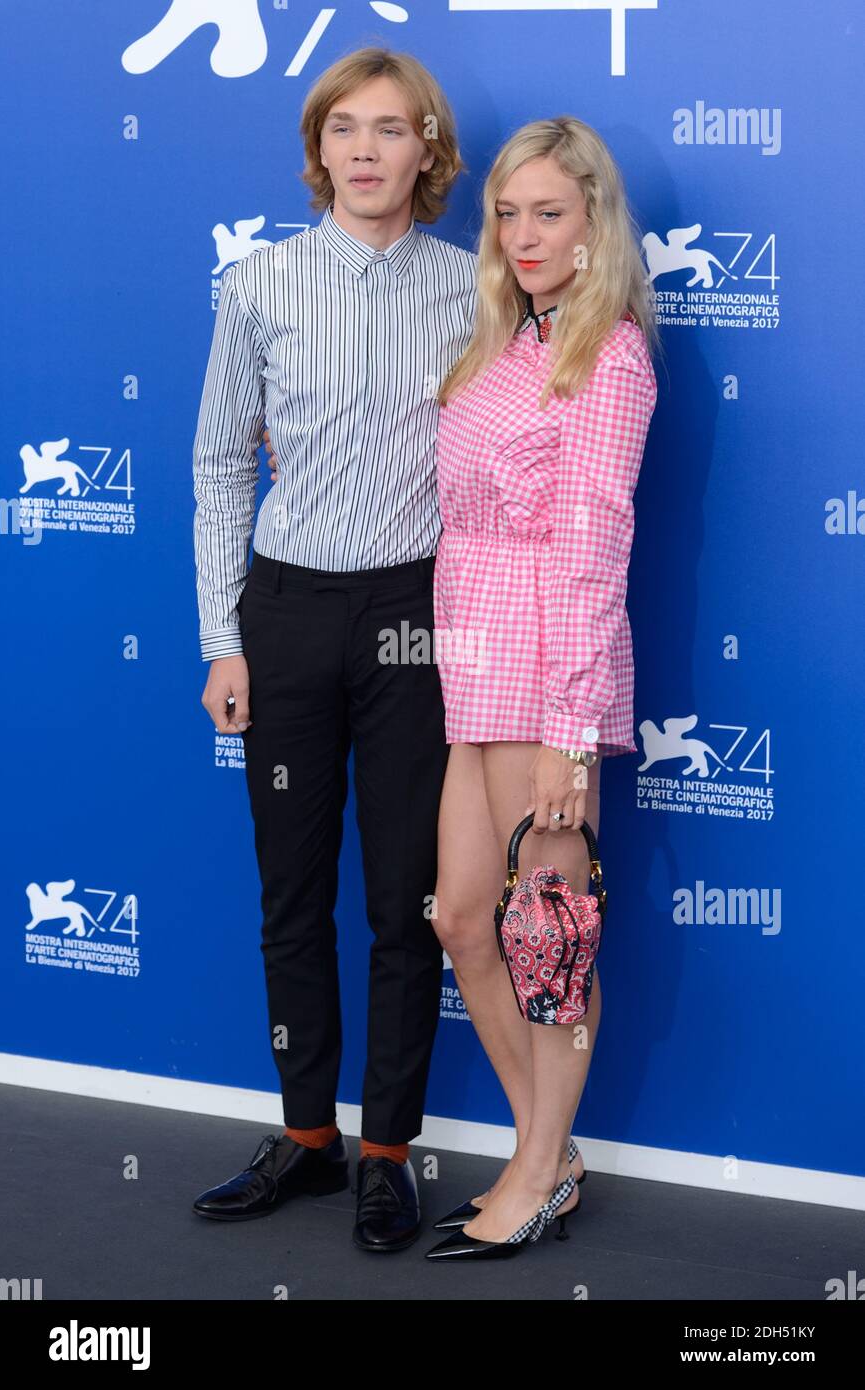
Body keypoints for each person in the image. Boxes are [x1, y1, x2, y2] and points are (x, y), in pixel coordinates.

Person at [266, 113, 659, 1263]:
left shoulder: (608, 354)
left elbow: (594, 546)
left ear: (592, 225)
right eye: (506, 211)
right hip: (468, 670)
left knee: (549, 947)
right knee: (456, 919)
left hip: (549, 680)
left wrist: (572, 734)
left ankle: (536, 1170)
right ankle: (552, 1148)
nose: (523, 232)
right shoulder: (504, 343)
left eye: (549, 212)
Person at [190, 46, 477, 1253]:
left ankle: (387, 1151)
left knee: (405, 900)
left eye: (390, 129)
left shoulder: (475, 289)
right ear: (318, 152)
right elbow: (217, 463)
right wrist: (223, 637)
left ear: (427, 152)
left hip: (416, 611)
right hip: (290, 613)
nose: (364, 150)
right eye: (342, 129)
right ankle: (307, 1137)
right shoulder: (256, 284)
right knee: (290, 891)